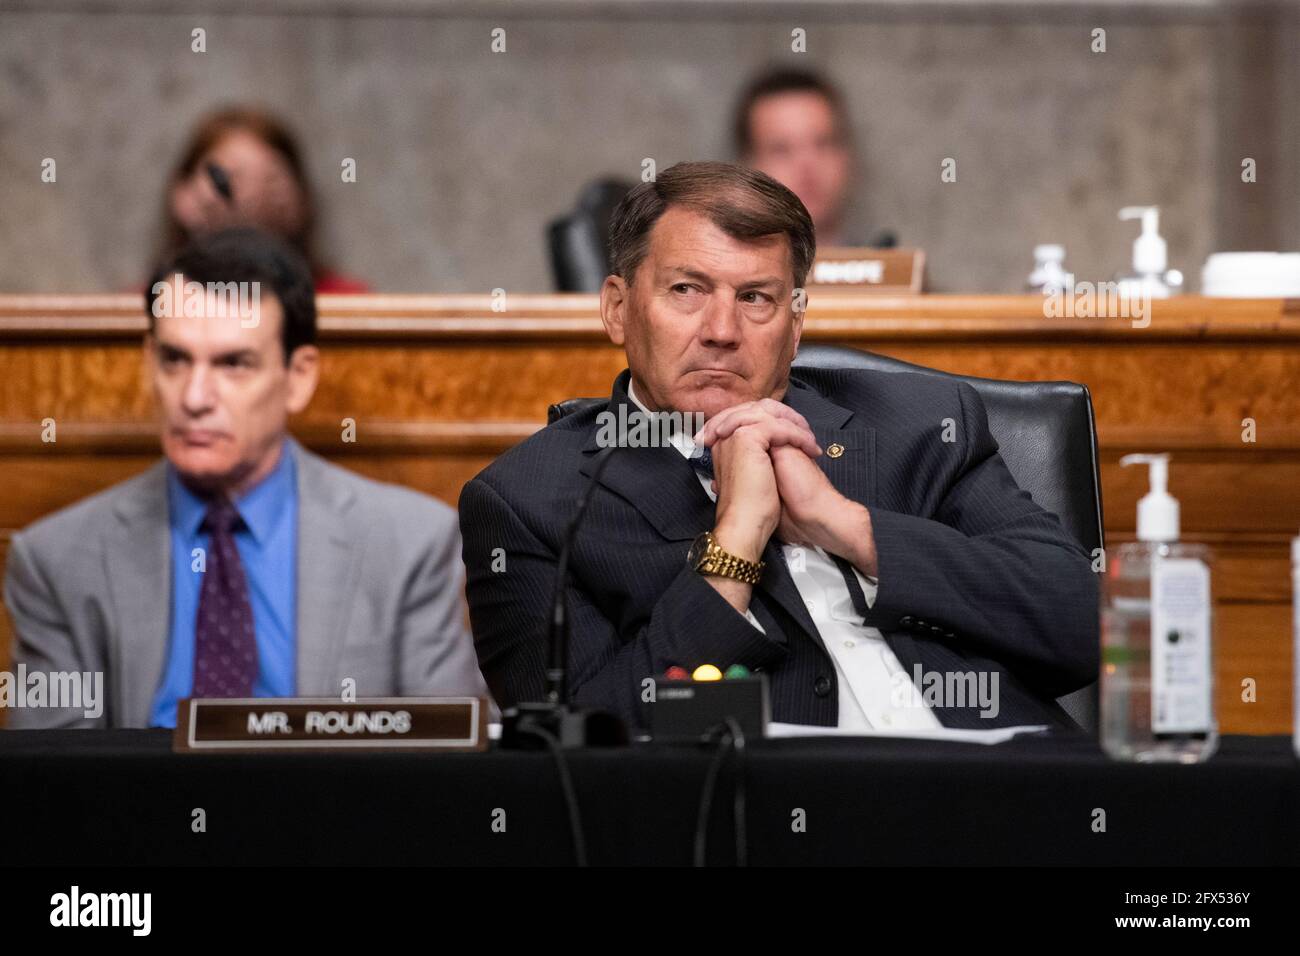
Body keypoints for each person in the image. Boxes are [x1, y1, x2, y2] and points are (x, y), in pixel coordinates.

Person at [459, 161, 1097, 733]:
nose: (721, 331)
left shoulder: (921, 425)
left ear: (795, 327)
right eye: (686, 290)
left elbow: (1082, 626)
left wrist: (846, 526)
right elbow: (585, 752)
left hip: (1012, 799)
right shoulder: (532, 503)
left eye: (755, 298)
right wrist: (735, 542)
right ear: (619, 310)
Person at [4, 229, 486, 729]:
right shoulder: (56, 561)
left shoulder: (409, 545)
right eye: (175, 359)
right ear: (149, 363)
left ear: (298, 377)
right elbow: (53, 786)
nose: (194, 397)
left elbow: (447, 764)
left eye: (233, 364)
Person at [159, 106, 370, 293]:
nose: (252, 196)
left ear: (302, 198)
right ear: (182, 197)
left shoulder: (345, 300)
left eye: (271, 179)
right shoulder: (151, 303)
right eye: (231, 177)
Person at [734, 68, 891, 249]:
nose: (808, 166)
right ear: (747, 166)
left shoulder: (901, 273)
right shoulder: (721, 273)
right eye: (781, 150)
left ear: (848, 156)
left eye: (823, 143)